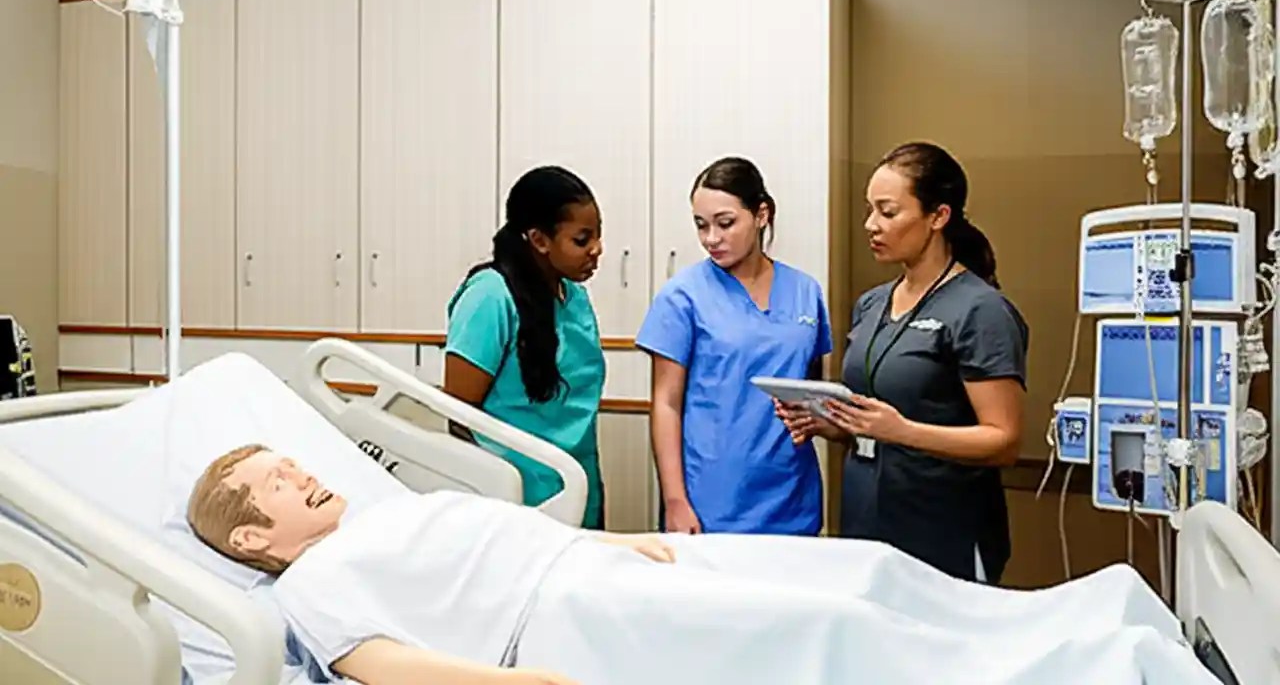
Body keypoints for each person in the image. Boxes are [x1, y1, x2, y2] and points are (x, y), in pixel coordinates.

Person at [185, 444, 1214, 685]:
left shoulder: (385, 512)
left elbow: (505, 535)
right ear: (248, 540)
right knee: (830, 636)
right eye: (274, 483)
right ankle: (1102, 671)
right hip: (558, 628)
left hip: (610, 564)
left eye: (292, 462)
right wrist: (524, 682)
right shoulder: (309, 585)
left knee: (858, 574)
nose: (303, 475)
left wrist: (606, 538)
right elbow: (379, 664)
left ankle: (1096, 616)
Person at [778, 141, 1029, 584]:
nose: (871, 225)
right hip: (866, 523)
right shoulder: (872, 304)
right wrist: (827, 422)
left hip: (942, 530)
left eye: (888, 212)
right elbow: (874, 421)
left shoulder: (979, 311)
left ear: (938, 217)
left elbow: (1003, 441)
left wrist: (904, 432)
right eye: (870, 210)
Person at [636, 156, 833, 536]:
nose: (711, 238)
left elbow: (812, 395)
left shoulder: (805, 291)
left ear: (761, 215)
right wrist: (675, 500)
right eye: (701, 225)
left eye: (725, 223)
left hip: (791, 495)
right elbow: (666, 403)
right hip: (711, 500)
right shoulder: (682, 297)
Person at [443, 165, 607, 529]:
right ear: (539, 240)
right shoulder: (490, 296)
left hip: (577, 484)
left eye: (597, 236)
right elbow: (459, 417)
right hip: (513, 503)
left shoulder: (574, 297)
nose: (597, 250)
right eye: (582, 240)